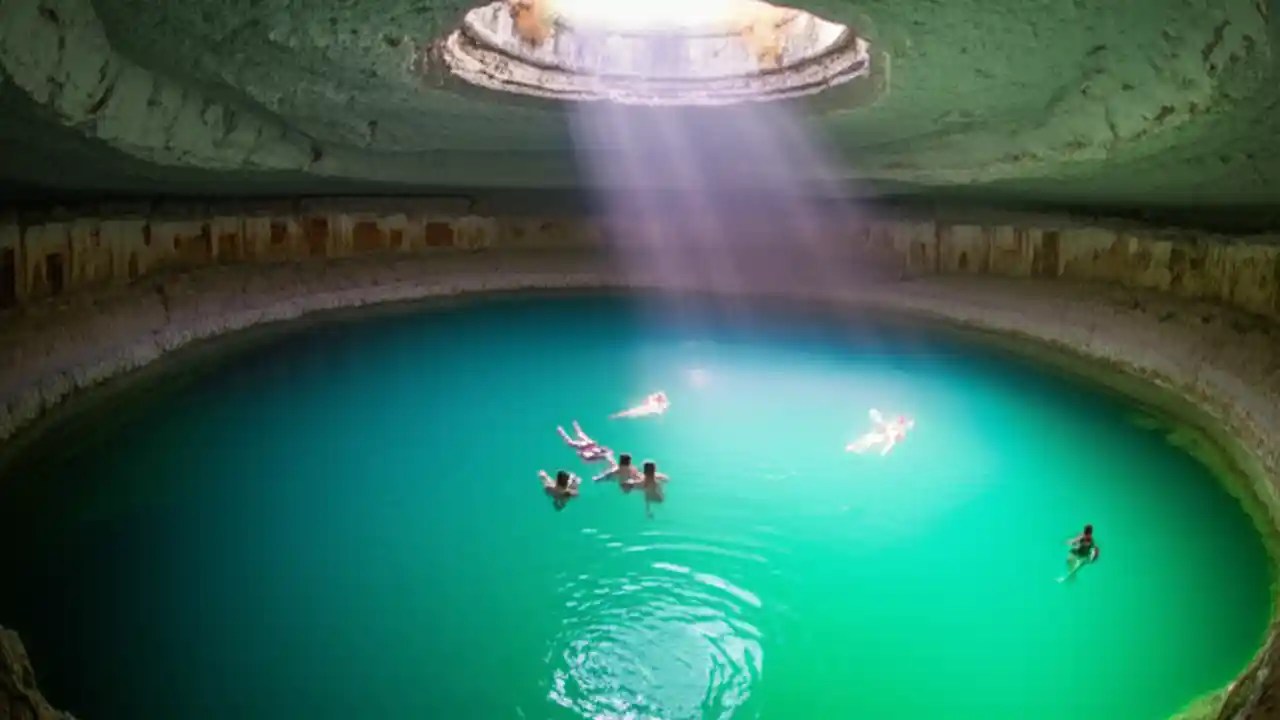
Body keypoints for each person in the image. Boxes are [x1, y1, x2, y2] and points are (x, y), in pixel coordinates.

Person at [845, 408, 914, 456]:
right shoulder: (894, 427)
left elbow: (891, 442)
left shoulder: (893, 433)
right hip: (886, 434)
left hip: (885, 436)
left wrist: (884, 451)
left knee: (869, 438)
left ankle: (854, 447)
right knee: (870, 436)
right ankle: (854, 447)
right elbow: (890, 438)